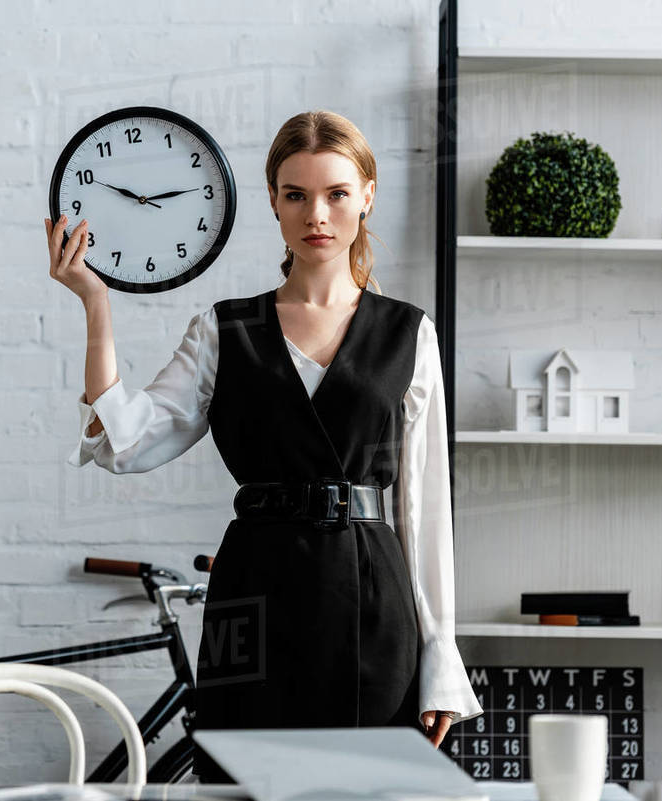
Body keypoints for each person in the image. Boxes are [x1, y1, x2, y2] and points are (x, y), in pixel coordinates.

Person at [44, 109, 483, 782]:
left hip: (373, 598)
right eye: (296, 194)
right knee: (240, 783)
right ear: (274, 203)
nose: (319, 214)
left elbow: (424, 514)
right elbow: (125, 444)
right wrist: (95, 305)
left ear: (367, 195)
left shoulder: (407, 334)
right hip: (253, 594)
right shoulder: (226, 331)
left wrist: (441, 659)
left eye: (337, 193)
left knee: (368, 791)